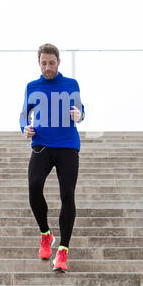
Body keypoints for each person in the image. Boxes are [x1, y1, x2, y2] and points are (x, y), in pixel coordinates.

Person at [18, 44, 84, 272]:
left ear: (58, 62)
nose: (48, 67)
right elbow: (24, 115)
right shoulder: (32, 86)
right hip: (42, 145)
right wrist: (24, 127)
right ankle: (45, 234)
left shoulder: (70, 84)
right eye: (44, 63)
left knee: (67, 195)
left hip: (67, 146)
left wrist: (79, 114)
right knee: (34, 186)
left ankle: (63, 251)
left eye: (51, 63)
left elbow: (80, 110)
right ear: (39, 63)